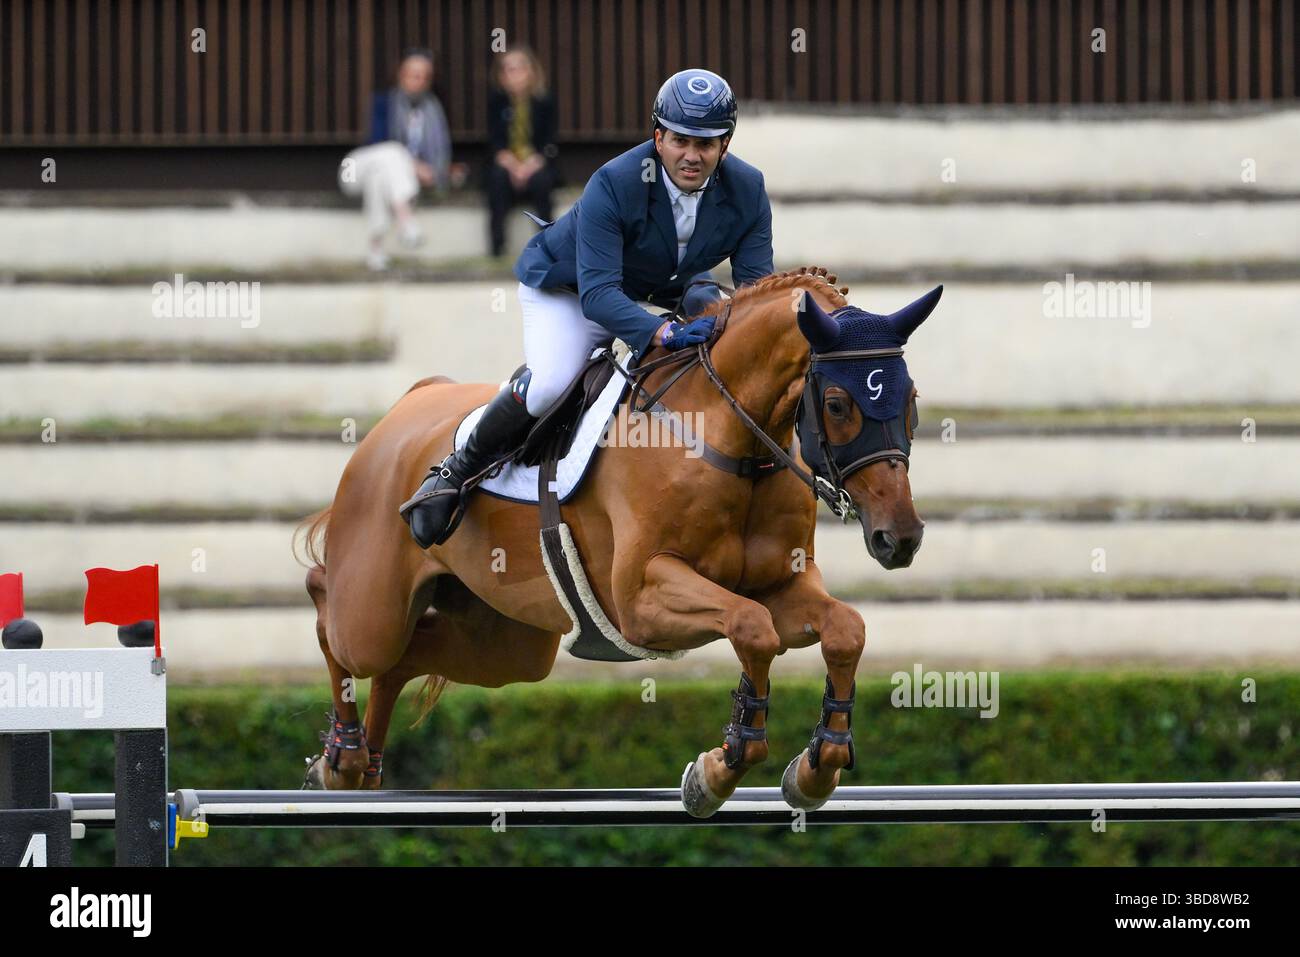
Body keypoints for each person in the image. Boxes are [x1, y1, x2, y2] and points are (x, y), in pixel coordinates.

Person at [400, 68, 774, 549]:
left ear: (725, 145)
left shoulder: (747, 187)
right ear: (658, 137)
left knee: (714, 314)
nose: (692, 156)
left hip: (655, 288)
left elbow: (756, 294)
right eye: (680, 140)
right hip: (570, 289)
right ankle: (455, 470)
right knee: (551, 383)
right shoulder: (615, 181)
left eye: (707, 144)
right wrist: (660, 335)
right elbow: (599, 295)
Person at [338, 47, 452, 271]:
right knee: (393, 152)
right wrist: (414, 164)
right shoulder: (384, 102)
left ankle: (376, 250)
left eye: (423, 76)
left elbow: (437, 156)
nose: (417, 80)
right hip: (356, 169)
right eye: (412, 74)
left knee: (379, 178)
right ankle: (406, 219)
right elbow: (378, 142)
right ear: (401, 74)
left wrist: (434, 172)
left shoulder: (433, 110)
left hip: (386, 179)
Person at [485, 47, 559, 258]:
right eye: (507, 70)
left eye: (518, 69)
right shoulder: (497, 102)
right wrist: (513, 166)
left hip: (535, 163)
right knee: (497, 179)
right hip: (507, 164)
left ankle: (546, 246)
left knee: (542, 181)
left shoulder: (544, 101)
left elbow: (549, 142)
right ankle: (497, 247)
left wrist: (529, 166)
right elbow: (495, 142)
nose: (513, 75)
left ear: (531, 72)